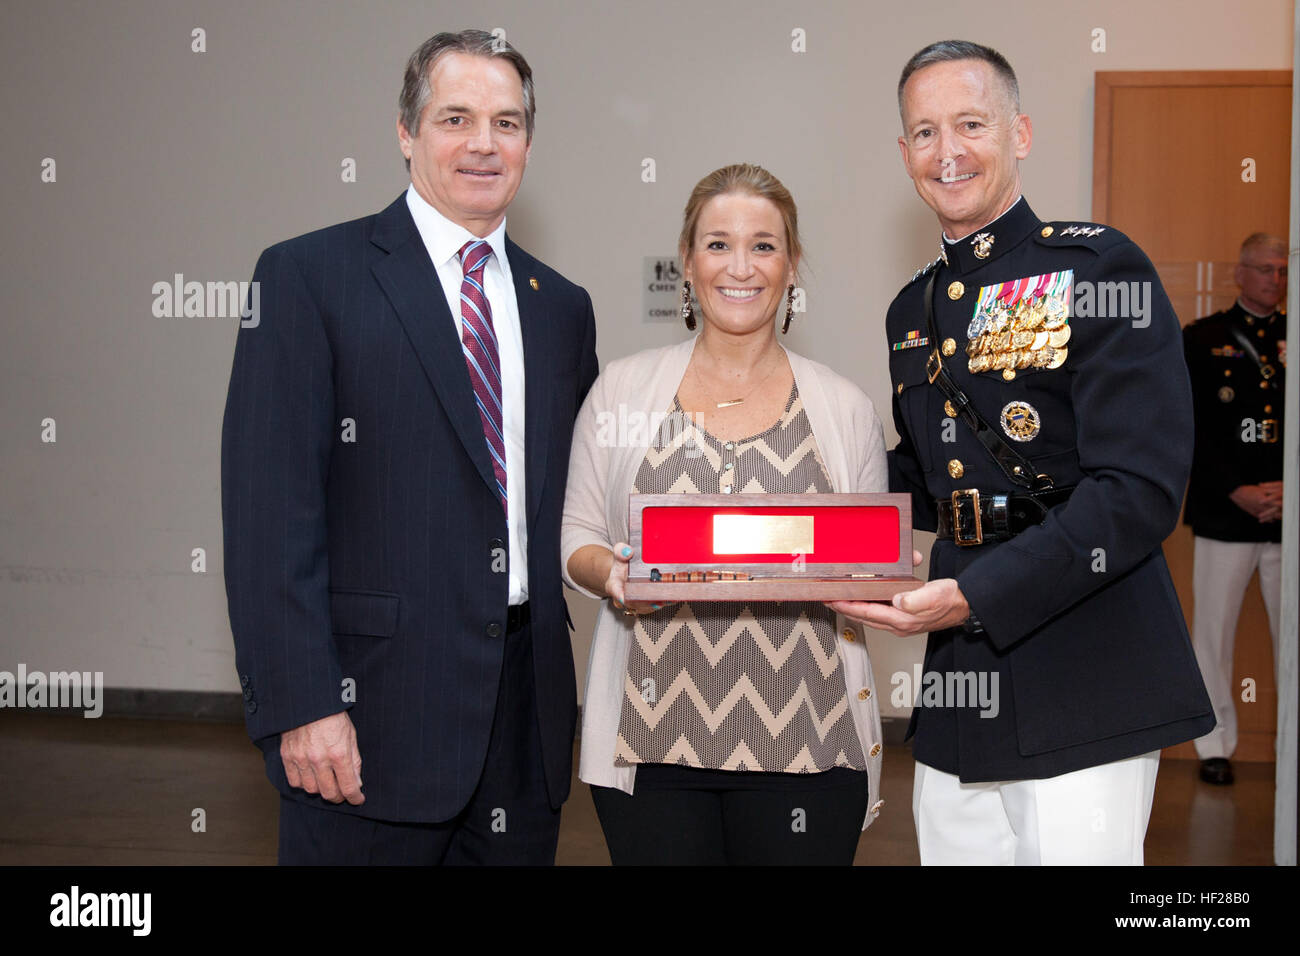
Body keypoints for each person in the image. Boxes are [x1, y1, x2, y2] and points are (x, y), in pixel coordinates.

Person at [221, 30, 598, 865]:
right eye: (455, 117)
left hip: (523, 733)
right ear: (406, 132)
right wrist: (302, 704)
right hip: (364, 726)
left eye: (506, 122)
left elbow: (581, 497)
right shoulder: (308, 279)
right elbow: (267, 517)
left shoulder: (561, 307)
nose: (482, 144)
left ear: (529, 143)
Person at [833, 40, 1214, 865]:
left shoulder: (1098, 267)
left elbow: (1138, 492)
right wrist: (801, 519)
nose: (949, 151)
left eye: (971, 123)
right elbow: (935, 481)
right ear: (905, 154)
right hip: (963, 680)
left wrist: (975, 598)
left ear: (1021, 133)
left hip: (1091, 663)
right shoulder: (915, 308)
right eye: (925, 132)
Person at [562, 164, 890, 865]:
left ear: (792, 264)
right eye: (717, 244)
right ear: (687, 261)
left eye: (764, 245)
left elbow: (864, 568)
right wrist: (614, 577)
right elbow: (579, 535)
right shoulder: (622, 388)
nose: (741, 267)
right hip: (653, 749)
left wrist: (876, 576)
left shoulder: (844, 407)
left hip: (811, 744)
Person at [1182, 233, 1287, 785]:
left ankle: (1290, 744)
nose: (1275, 279)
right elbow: (1188, 430)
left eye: (1282, 269)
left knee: (1290, 634)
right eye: (1264, 269)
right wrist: (1237, 489)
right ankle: (1214, 745)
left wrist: (1288, 488)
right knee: (1214, 633)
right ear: (1238, 273)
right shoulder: (1203, 341)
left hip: (1289, 516)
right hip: (1227, 512)